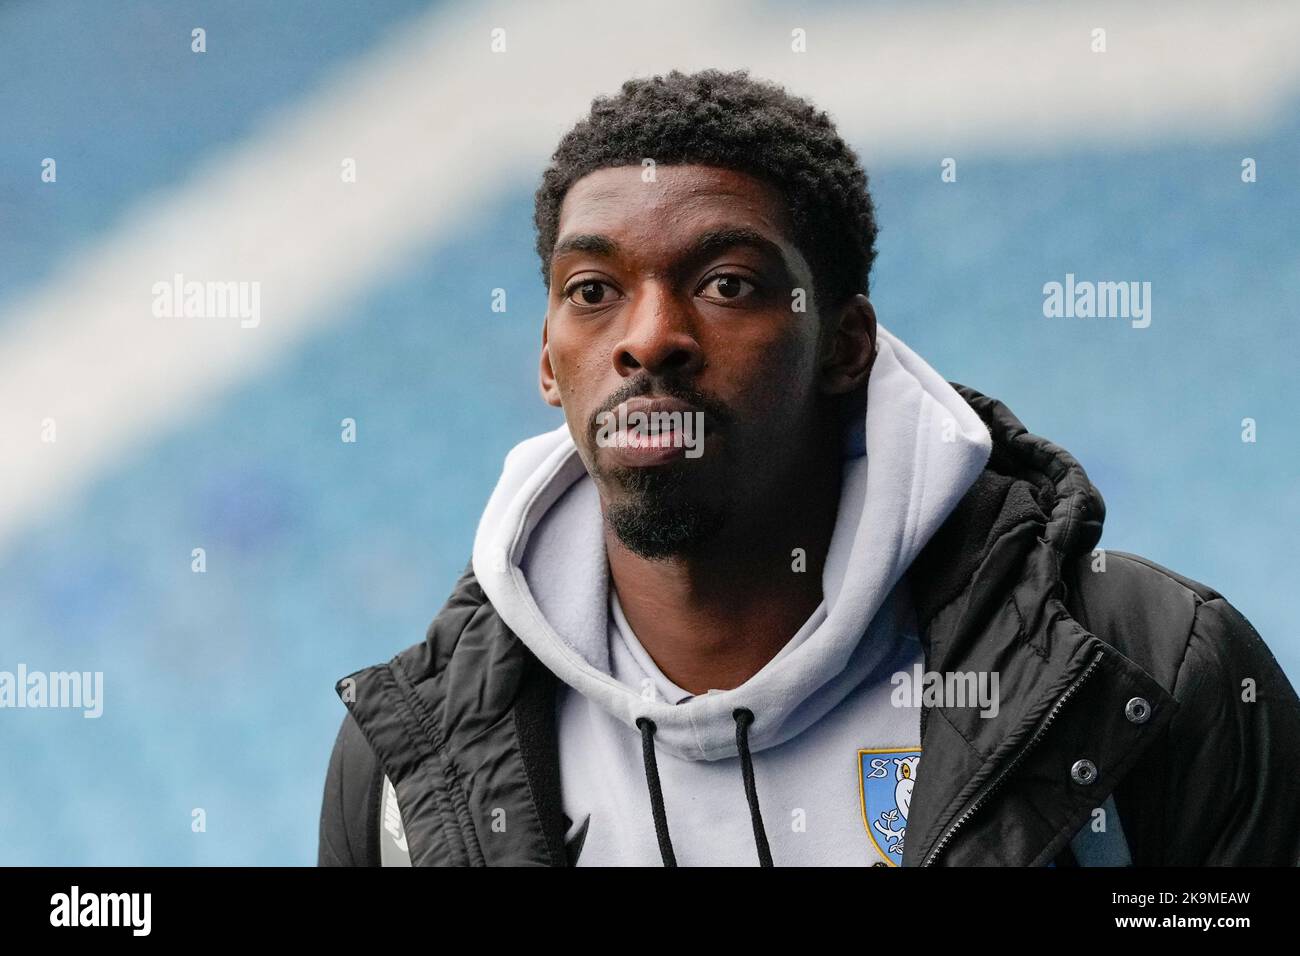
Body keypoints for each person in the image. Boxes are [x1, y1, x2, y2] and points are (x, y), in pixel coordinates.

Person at [318, 68, 1300, 867]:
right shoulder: (407, 768)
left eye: (726, 283)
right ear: (546, 360)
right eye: (593, 290)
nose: (650, 336)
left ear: (845, 343)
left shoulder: (1147, 669)